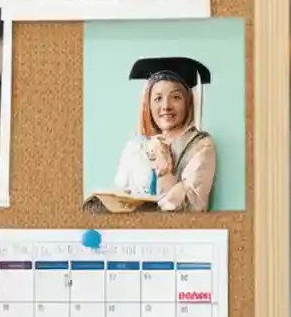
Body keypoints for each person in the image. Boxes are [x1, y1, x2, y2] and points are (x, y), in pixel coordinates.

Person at [85, 56, 217, 213]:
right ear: (148, 104)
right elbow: (120, 195)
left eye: (176, 97)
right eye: (158, 98)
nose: (166, 106)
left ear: (188, 102)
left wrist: (164, 170)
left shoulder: (200, 145)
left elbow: (191, 210)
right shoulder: (136, 147)